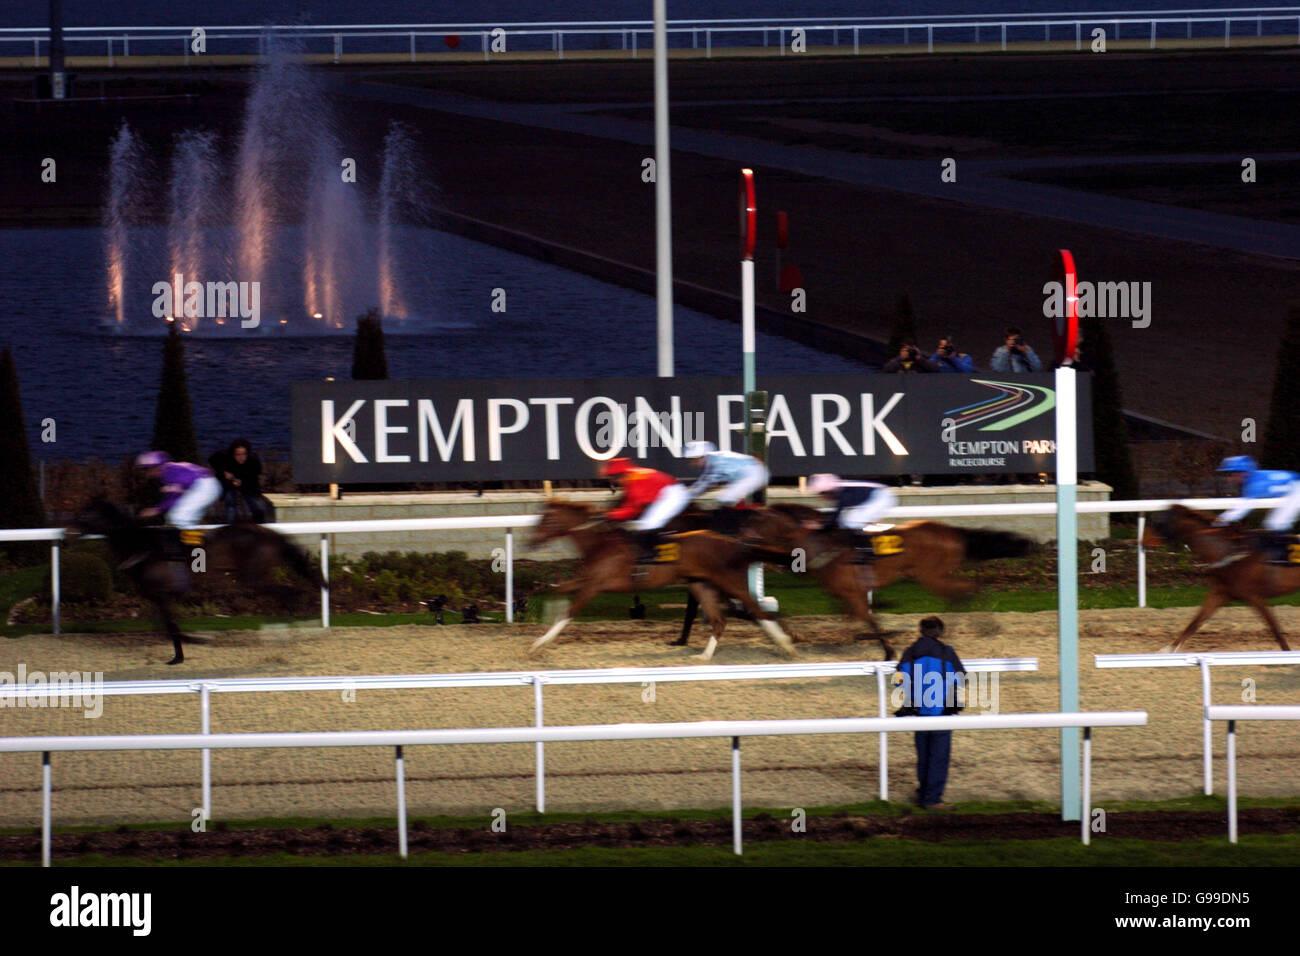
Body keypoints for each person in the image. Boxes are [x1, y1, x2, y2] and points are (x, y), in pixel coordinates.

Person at [894, 616, 966, 809]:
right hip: (941, 713)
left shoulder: (910, 652)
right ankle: (933, 800)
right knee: (939, 757)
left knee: (923, 756)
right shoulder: (946, 652)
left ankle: (923, 794)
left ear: (921, 631)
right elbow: (961, 679)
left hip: (918, 713)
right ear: (940, 633)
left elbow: (898, 680)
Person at [601, 458, 689, 564]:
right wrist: (613, 514)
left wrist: (612, 515)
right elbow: (629, 504)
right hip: (668, 492)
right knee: (642, 523)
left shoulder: (635, 481)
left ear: (621, 475)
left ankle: (665, 555)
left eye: (614, 479)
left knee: (648, 523)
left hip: (674, 494)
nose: (615, 482)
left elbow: (634, 509)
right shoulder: (632, 478)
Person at [1213, 455, 1300, 560]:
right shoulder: (1253, 479)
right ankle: (1286, 555)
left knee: (1277, 524)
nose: (1229, 479)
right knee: (1273, 524)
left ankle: (1290, 558)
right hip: (1294, 488)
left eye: (1231, 474)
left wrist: (1221, 519)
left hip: (1296, 489)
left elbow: (1242, 509)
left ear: (1243, 473)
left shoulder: (1254, 484)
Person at [807, 473, 898, 565]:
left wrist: (820, 526)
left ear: (829, 491)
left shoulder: (844, 494)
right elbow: (836, 516)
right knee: (848, 521)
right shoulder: (841, 489)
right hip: (877, 495)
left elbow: (835, 517)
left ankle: (870, 551)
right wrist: (824, 523)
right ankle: (864, 548)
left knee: (852, 522)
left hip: (882, 497)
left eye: (821, 494)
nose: (821, 497)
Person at [682, 440, 768, 534]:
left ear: (703, 456)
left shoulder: (717, 461)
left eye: (693, 459)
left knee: (724, 498)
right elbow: (704, 482)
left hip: (754, 474)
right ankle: (738, 526)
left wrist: (686, 496)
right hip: (750, 473)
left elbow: (705, 483)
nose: (691, 463)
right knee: (725, 498)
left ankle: (738, 529)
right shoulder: (714, 459)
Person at [210, 438, 273, 523]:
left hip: (248, 483)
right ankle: (231, 527)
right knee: (230, 504)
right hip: (229, 483)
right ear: (233, 454)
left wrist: (242, 481)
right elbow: (212, 460)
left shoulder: (253, 460)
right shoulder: (224, 455)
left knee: (257, 506)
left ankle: (260, 527)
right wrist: (223, 472)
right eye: (238, 454)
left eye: (244, 454)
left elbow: (256, 474)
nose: (241, 457)